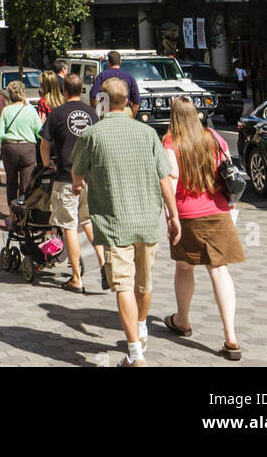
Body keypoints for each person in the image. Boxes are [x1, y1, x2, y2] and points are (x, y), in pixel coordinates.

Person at [72, 77, 181, 367]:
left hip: (113, 222)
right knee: (143, 284)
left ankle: (135, 353)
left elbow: (76, 172)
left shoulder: (92, 135)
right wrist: (173, 216)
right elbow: (164, 179)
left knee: (123, 285)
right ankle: (141, 327)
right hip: (147, 220)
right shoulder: (148, 134)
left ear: (103, 102)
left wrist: (78, 185)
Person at [161, 96, 245, 360]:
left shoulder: (171, 141)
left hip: (187, 215)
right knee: (220, 271)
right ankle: (231, 337)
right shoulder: (213, 136)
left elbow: (171, 181)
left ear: (174, 116)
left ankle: (182, 320)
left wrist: (170, 217)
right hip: (218, 211)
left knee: (185, 266)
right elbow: (229, 171)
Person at [40, 73, 106, 293]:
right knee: (88, 222)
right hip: (89, 177)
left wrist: (46, 162)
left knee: (69, 226)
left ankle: (76, 277)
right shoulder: (91, 113)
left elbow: (44, 143)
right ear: (82, 91)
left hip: (66, 175)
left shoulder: (56, 113)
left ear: (64, 91)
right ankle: (104, 264)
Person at [0, 80, 42, 209]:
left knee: (11, 183)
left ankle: (11, 214)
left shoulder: (6, 111)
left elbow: (0, 133)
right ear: (23, 94)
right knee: (26, 184)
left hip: (9, 147)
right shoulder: (31, 111)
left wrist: (8, 138)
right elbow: (39, 132)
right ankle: (23, 211)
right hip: (27, 148)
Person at [90, 50, 140, 118]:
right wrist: (132, 116)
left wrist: (100, 113)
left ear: (108, 62)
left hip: (107, 111)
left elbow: (93, 96)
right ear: (120, 61)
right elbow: (136, 101)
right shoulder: (129, 77)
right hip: (125, 111)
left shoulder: (102, 76)